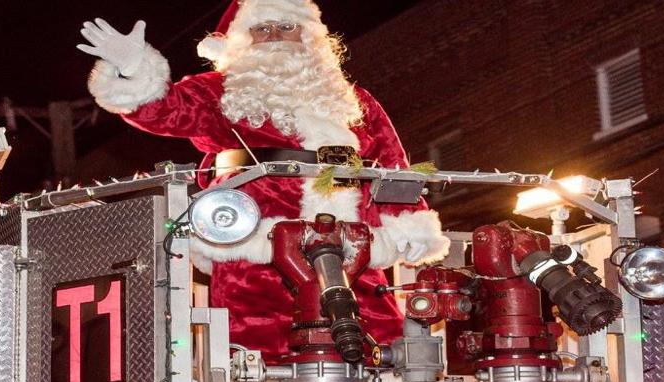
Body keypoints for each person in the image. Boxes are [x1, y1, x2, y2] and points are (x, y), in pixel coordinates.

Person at [79, 0, 450, 360]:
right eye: (261, 29)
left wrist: (408, 226)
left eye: (286, 27)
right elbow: (166, 111)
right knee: (254, 357)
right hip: (256, 249)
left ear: (308, 36)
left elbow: (391, 167)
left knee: (383, 347)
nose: (273, 36)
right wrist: (133, 70)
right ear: (242, 40)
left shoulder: (354, 101)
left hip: (350, 249)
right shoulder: (222, 92)